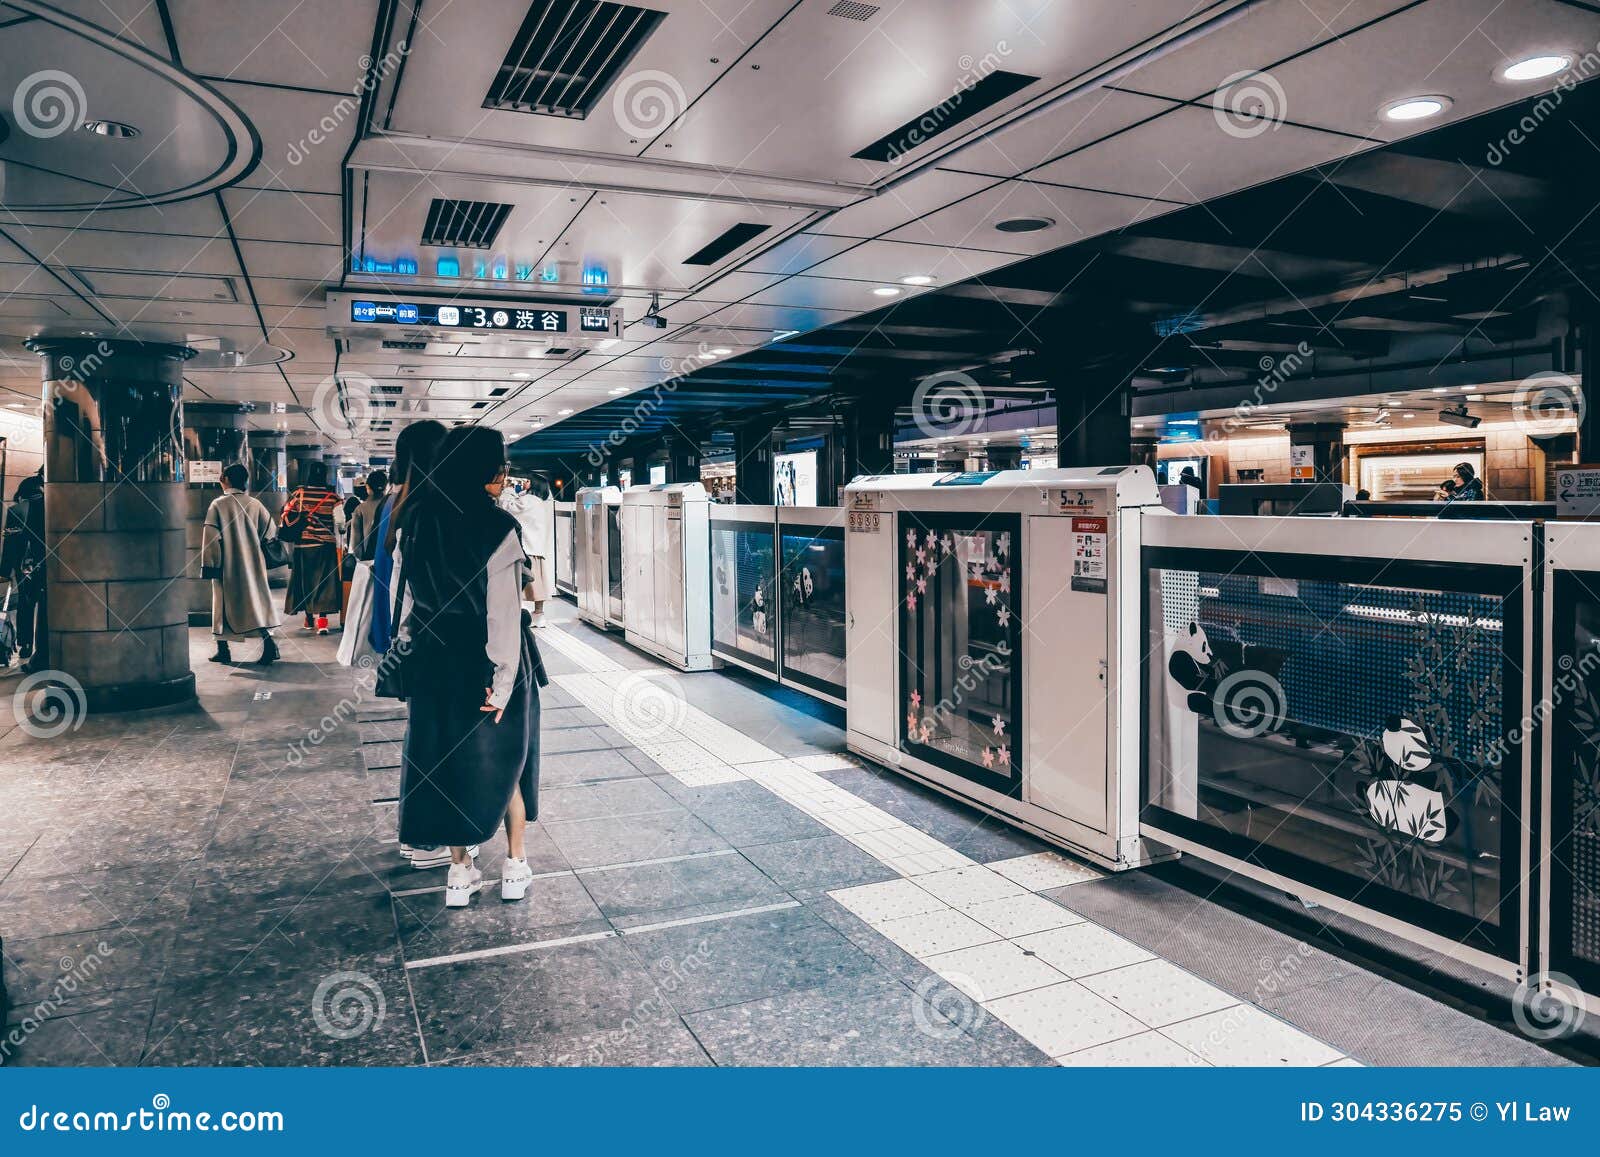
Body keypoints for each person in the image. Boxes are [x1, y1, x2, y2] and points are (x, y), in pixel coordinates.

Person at [394, 426, 546, 908]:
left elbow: (405, 598)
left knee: (445, 764)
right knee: (506, 762)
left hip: (433, 658)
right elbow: (502, 613)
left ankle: (460, 873)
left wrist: (405, 652)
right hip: (484, 661)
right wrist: (502, 684)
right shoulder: (497, 527)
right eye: (498, 466)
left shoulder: (414, 519)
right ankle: (515, 865)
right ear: (485, 469)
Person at [201, 463, 282, 665]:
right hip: (253, 563)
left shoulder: (218, 505)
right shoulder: (255, 504)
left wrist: (210, 564)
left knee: (221, 605)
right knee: (255, 603)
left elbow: (211, 538)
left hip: (226, 565)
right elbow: (270, 533)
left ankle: (223, 649)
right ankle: (268, 644)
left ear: (226, 480)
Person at [282, 460, 342, 634]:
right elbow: (340, 521)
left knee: (305, 582)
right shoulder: (333, 497)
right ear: (324, 476)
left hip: (303, 546)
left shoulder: (299, 494)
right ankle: (322, 623)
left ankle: (308, 619)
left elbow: (285, 513)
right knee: (324, 584)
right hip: (325, 546)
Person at [1, 470, 47, 673]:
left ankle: (26, 644)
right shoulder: (48, 506)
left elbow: (10, 544)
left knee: (25, 605)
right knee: (44, 603)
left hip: (23, 565)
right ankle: (42, 647)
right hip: (44, 563)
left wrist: (4, 571)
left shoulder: (15, 511)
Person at [498, 474, 553, 627]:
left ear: (534, 484)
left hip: (527, 547)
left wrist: (508, 490)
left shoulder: (528, 501)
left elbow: (507, 508)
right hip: (537, 547)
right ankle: (539, 614)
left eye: (527, 481)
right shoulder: (539, 502)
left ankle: (517, 614)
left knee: (521, 581)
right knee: (538, 584)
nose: (524, 482)